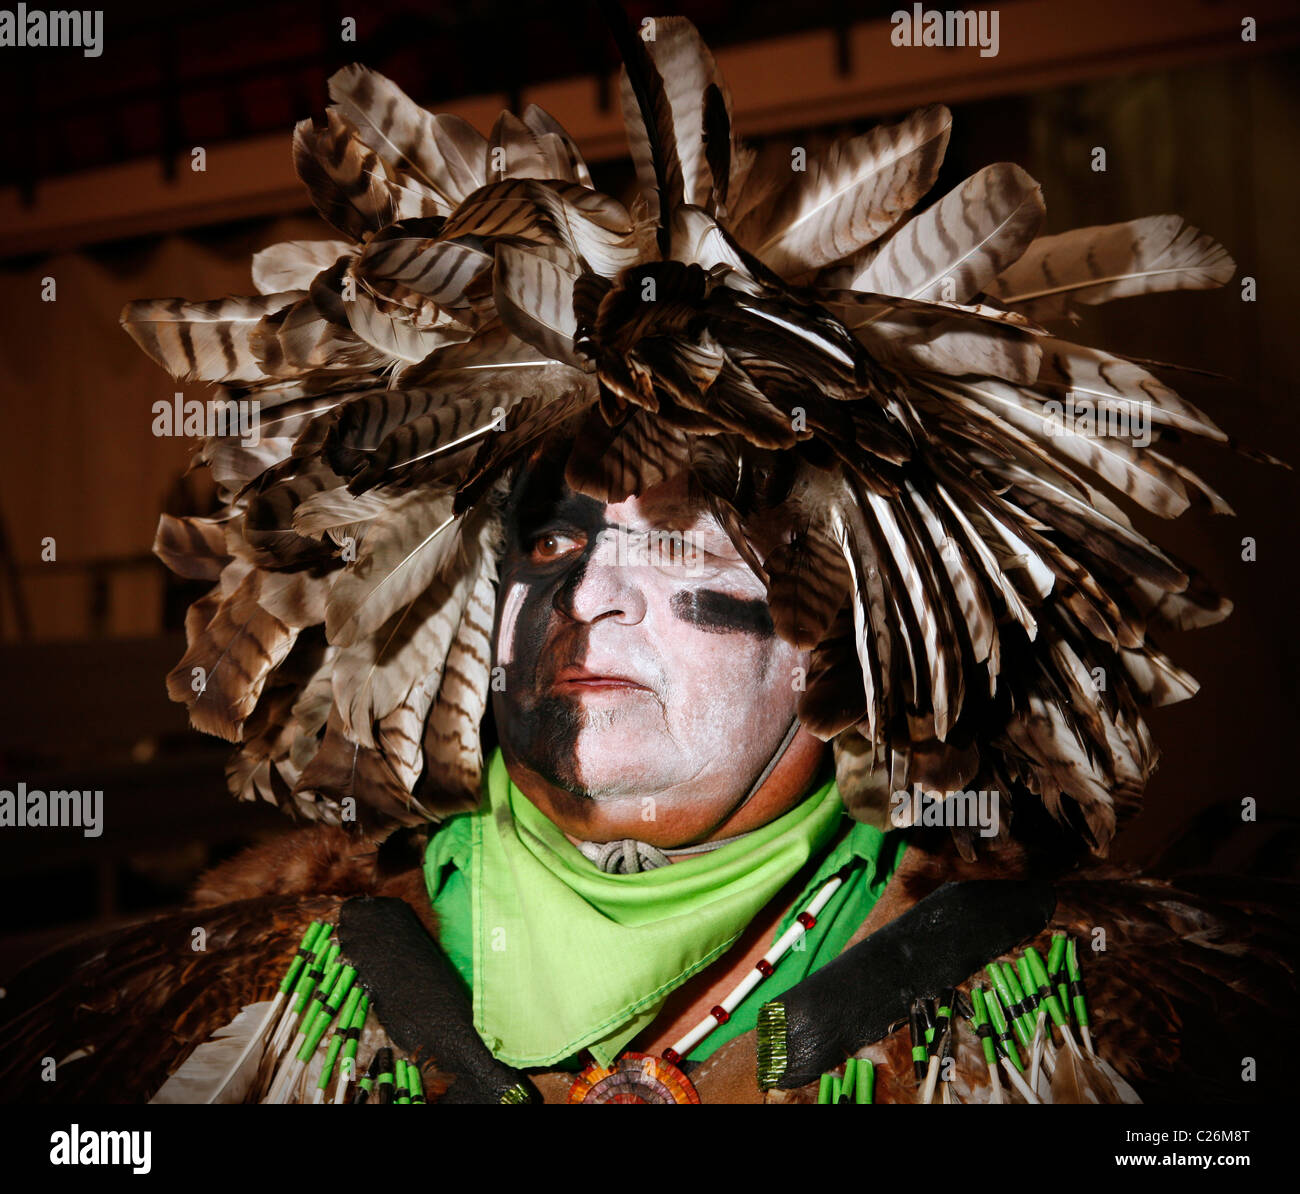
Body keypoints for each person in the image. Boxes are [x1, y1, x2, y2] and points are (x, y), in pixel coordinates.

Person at [1, 14, 1292, 1105]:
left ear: (871, 633)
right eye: (553, 542)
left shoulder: (1112, 1022)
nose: (589, 599)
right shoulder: (203, 1004)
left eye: (681, 549)